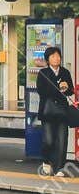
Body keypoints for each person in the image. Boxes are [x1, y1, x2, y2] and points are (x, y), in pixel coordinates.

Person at [35, 46, 77, 177]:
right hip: (48, 110)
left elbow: (70, 91)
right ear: (47, 59)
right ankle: (46, 162)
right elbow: (41, 91)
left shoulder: (65, 72)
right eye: (53, 56)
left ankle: (60, 168)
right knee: (48, 140)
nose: (56, 58)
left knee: (62, 140)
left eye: (58, 56)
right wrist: (59, 89)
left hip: (62, 111)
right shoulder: (43, 73)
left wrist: (67, 88)